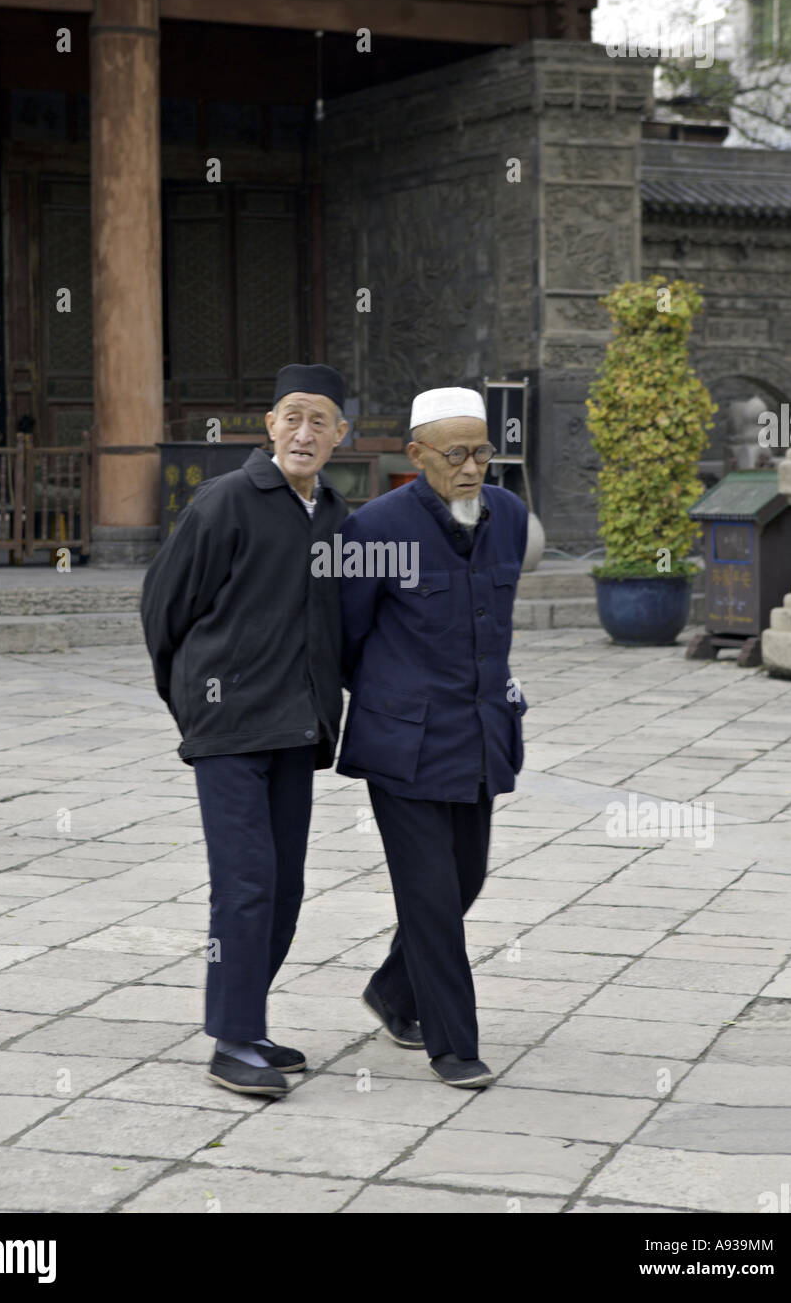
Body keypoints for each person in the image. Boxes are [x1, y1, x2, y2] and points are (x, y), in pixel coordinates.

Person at [141, 364, 349, 1098]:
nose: (303, 432)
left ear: (338, 437)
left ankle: (249, 1021)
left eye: (319, 420)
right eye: (291, 416)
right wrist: (194, 702)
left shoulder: (332, 516)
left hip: (296, 730)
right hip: (228, 726)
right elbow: (163, 608)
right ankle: (230, 1041)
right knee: (244, 883)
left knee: (285, 886)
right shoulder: (226, 501)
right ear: (268, 426)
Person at [337, 386, 529, 1089]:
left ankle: (393, 992)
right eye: (456, 454)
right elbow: (346, 637)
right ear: (417, 456)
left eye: (482, 450)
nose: (472, 466)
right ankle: (454, 1046)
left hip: (477, 733)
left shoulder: (508, 514)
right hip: (403, 743)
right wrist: (395, 698)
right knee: (428, 896)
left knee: (465, 878)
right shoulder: (374, 528)